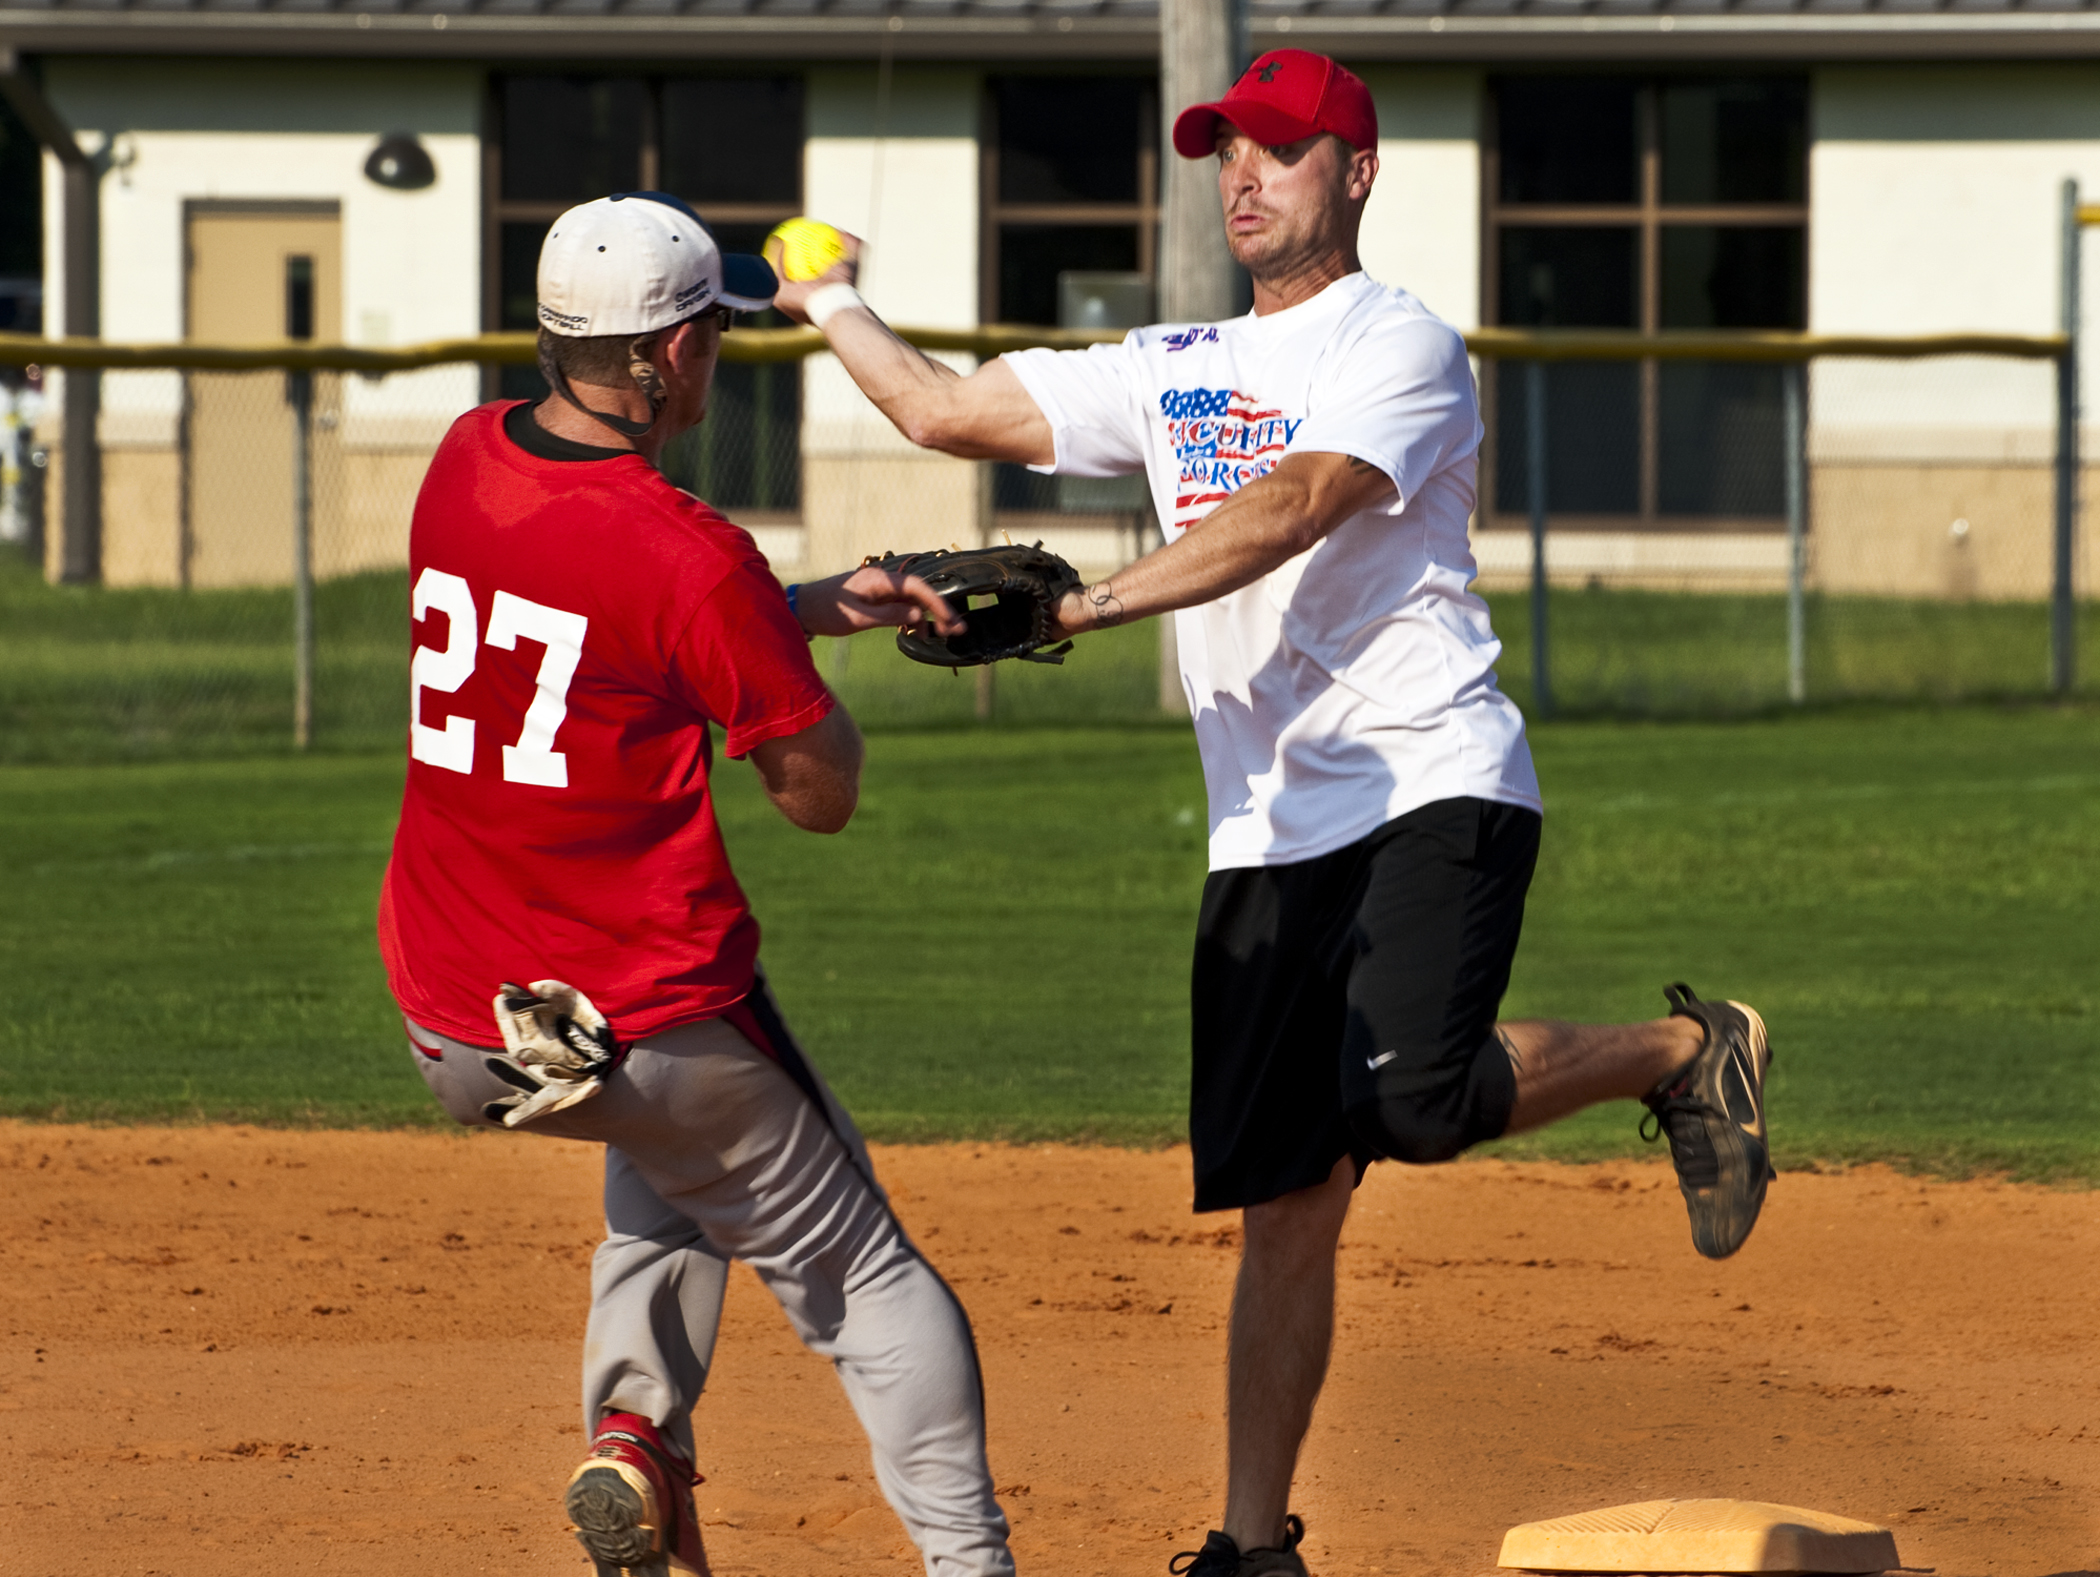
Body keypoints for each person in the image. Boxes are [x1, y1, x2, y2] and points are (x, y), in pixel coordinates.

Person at [769, 50, 1775, 1577]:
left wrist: (1086, 606)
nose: (1244, 174)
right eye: (1225, 149)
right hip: (1266, 833)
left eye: (1282, 149)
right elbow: (941, 410)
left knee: (1411, 1101)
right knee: (1286, 1200)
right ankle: (1255, 1545)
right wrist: (831, 297)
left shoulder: (1405, 345)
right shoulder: (1170, 361)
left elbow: (1291, 505)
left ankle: (1690, 1050)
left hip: (1426, 774)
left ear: (1355, 172)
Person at [378, 190, 1018, 1577]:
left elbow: (603, 614)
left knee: (670, 1151)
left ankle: (634, 1439)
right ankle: (977, 1566)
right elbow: (818, 795)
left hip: (457, 1023)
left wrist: (793, 610)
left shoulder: (462, 455)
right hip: (642, 1007)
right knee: (868, 1279)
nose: (715, 356)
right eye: (710, 334)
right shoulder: (689, 550)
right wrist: (802, 677)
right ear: (666, 360)